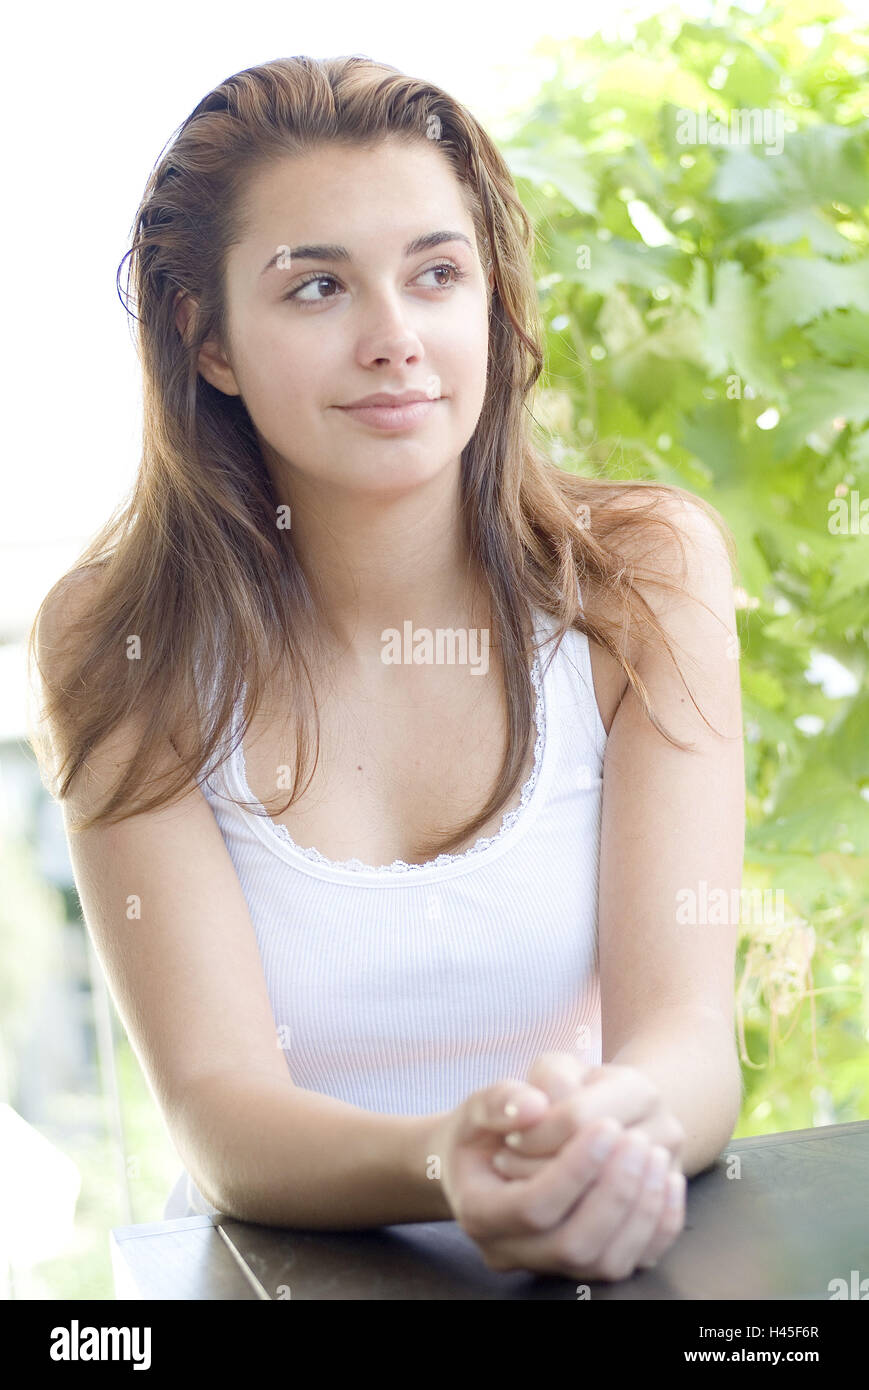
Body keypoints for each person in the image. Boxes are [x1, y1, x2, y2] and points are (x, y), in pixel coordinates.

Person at [28, 54, 745, 1285]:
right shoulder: (118, 636)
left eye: (435, 273)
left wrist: (601, 1141)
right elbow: (219, 1105)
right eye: (315, 287)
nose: (394, 340)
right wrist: (447, 1162)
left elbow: (684, 1035)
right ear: (208, 345)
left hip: (593, 1246)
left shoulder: (638, 574)